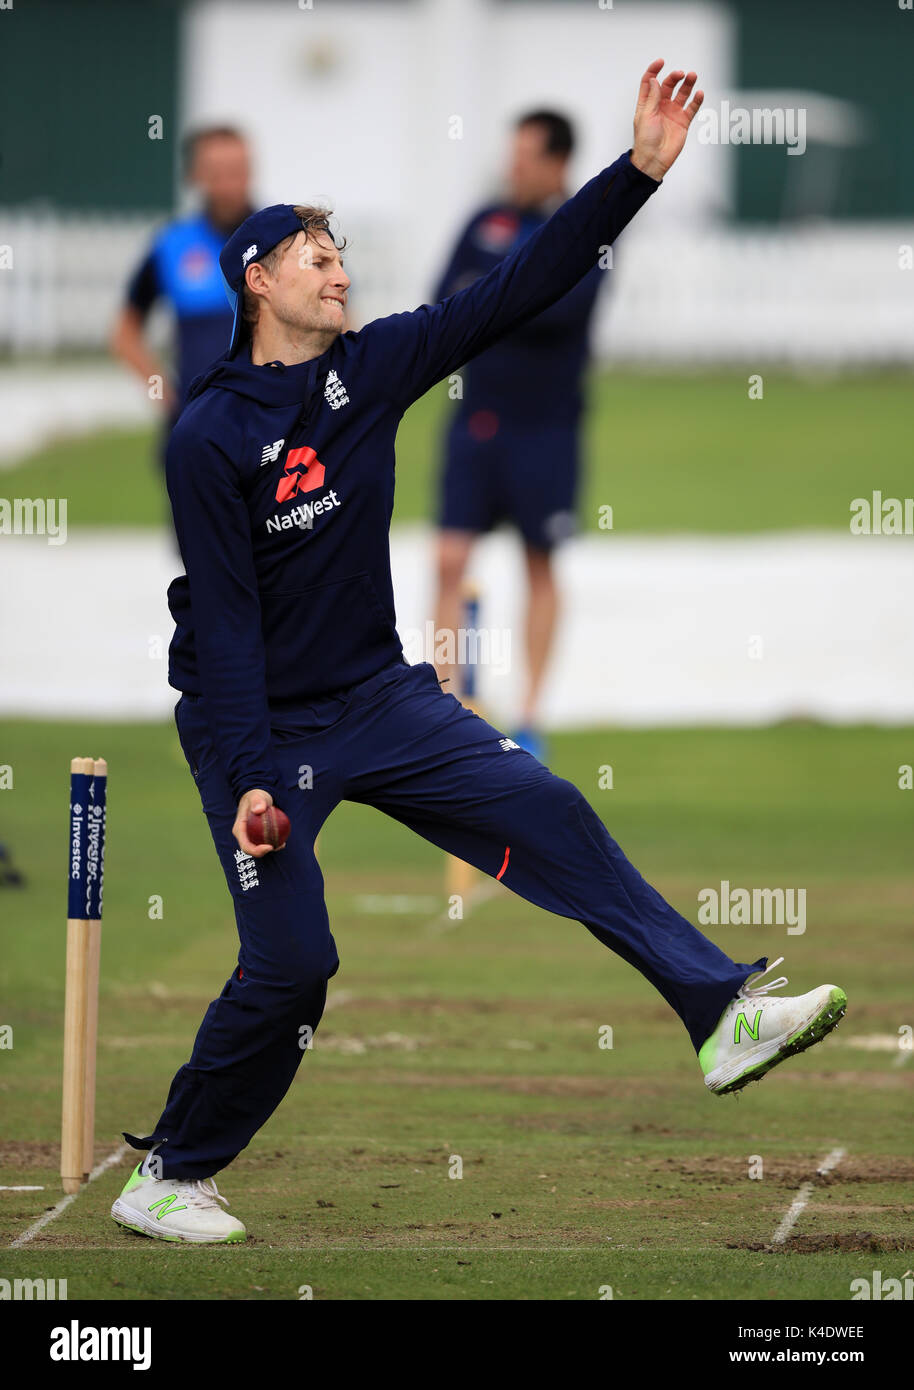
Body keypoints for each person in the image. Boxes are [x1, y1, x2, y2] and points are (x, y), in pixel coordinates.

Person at [111, 63, 846, 1245]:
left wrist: (638, 173)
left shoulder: (376, 364)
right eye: (315, 257)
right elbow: (227, 627)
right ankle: (167, 1175)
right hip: (257, 723)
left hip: (378, 697)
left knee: (545, 806)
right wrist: (250, 777)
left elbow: (520, 283)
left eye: (342, 254)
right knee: (295, 967)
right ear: (257, 280)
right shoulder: (207, 436)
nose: (340, 269)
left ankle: (719, 1011)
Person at [432, 110, 602, 758]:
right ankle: (443, 704)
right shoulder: (485, 222)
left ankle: (530, 716)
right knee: (448, 559)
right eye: (513, 155)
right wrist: (510, 298)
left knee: (540, 560)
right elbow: (447, 296)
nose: (514, 169)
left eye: (527, 158)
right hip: (476, 417)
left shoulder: (583, 228)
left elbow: (563, 310)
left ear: (558, 163)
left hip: (547, 426)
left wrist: (496, 297)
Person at [110, 125, 255, 440]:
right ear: (195, 176)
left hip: (271, 425)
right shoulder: (172, 246)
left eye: (238, 170)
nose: (230, 182)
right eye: (218, 172)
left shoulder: (282, 240)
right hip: (197, 426)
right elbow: (125, 333)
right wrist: (165, 396)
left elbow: (338, 318)